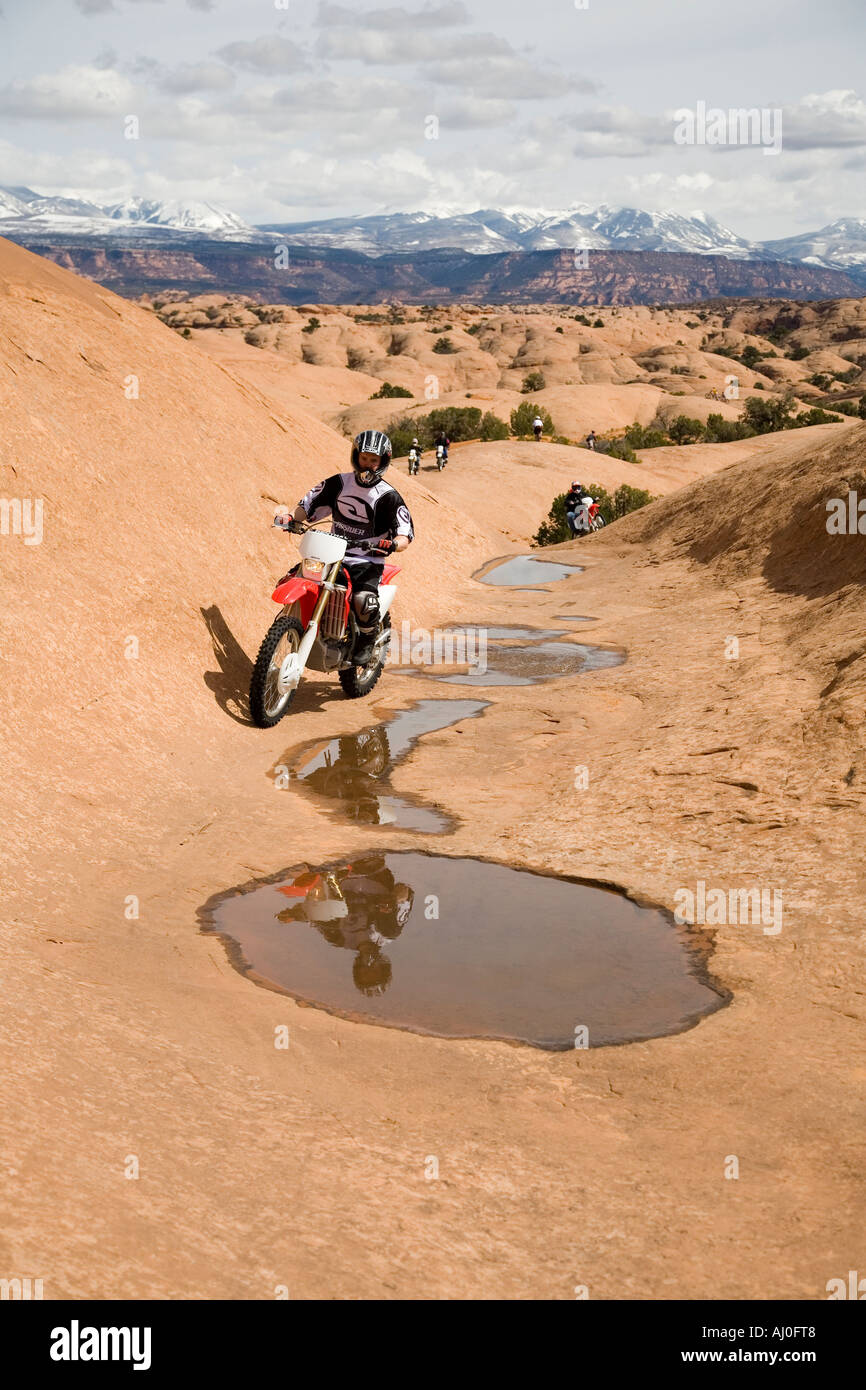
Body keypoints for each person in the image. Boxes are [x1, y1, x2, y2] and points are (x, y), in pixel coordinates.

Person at [289, 429, 414, 667]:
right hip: (331, 553)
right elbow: (309, 504)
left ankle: (367, 638)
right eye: (364, 458)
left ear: (383, 462)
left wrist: (393, 544)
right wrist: (293, 518)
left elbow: (404, 532)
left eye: (373, 460)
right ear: (356, 456)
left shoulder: (388, 496)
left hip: (367, 560)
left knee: (363, 600)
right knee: (297, 576)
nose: (367, 464)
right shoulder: (339, 482)